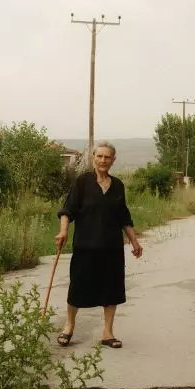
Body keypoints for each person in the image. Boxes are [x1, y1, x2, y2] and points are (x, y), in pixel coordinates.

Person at [55, 142, 143, 348]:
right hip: (85, 246)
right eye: (100, 156)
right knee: (78, 286)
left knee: (111, 288)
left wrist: (134, 240)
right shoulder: (82, 182)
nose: (103, 161)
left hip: (112, 248)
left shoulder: (118, 185)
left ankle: (108, 333)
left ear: (113, 160)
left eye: (107, 157)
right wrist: (63, 230)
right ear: (93, 157)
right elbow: (67, 210)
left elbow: (124, 216)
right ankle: (68, 327)